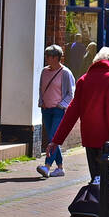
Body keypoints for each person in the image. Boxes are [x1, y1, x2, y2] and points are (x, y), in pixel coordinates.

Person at [43, 47, 109, 180]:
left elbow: (71, 112)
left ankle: (94, 198)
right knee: (106, 183)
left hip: (89, 138)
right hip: (107, 141)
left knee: (95, 179)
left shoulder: (84, 79)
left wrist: (56, 141)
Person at [36, 45, 75, 178]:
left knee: (53, 138)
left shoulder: (65, 73)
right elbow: (41, 88)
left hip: (58, 111)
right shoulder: (44, 71)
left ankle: (47, 167)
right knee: (53, 139)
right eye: (46, 55)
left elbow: (71, 93)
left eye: (48, 56)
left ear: (56, 58)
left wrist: (61, 105)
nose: (46, 58)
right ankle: (60, 168)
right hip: (46, 110)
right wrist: (41, 103)